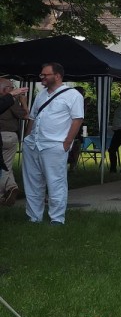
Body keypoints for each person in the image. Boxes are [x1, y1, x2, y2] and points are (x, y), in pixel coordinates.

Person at [23, 62, 84, 225]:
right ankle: (34, 217)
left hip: (55, 145)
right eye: (41, 74)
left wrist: (67, 143)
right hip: (33, 145)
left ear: (57, 76)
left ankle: (57, 218)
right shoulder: (41, 95)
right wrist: (27, 139)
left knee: (55, 182)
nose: (42, 77)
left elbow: (77, 120)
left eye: (45, 75)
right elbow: (33, 118)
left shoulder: (73, 95)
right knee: (33, 183)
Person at [0, 78, 29, 205]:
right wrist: (24, 102)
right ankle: (1, 194)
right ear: (4, 90)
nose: (14, 89)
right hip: (8, 136)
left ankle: (12, 187)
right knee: (5, 166)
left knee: (5, 165)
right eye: (12, 87)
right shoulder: (9, 101)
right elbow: (25, 115)